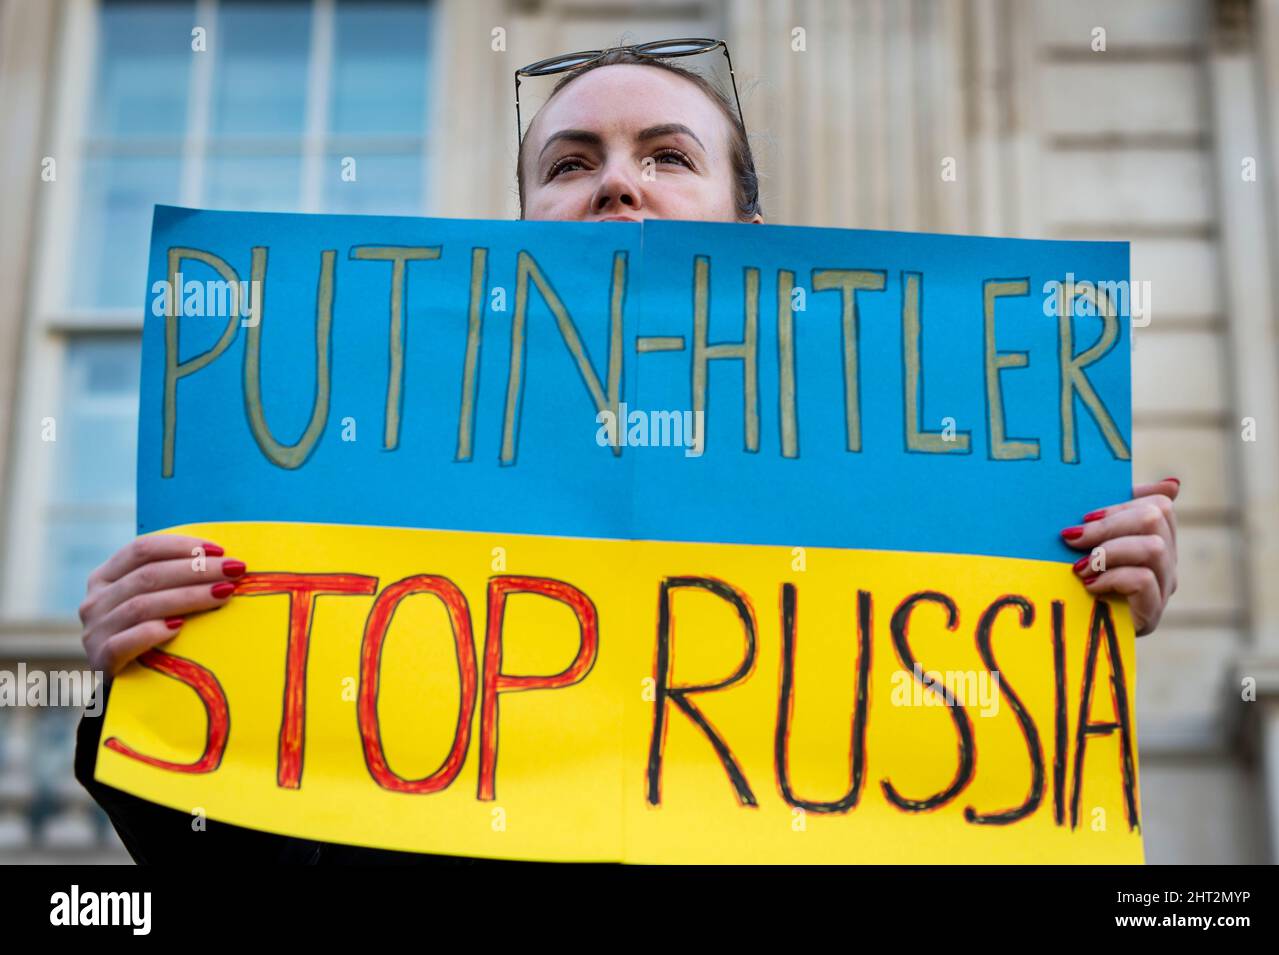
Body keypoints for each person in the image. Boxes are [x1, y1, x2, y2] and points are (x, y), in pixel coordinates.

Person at [75, 45, 1180, 864]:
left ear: (748, 232)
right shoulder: (377, 484)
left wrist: (1064, 619)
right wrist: (151, 681)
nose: (615, 182)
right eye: (569, 162)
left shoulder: (908, 493)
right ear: (515, 232)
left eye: (666, 155)